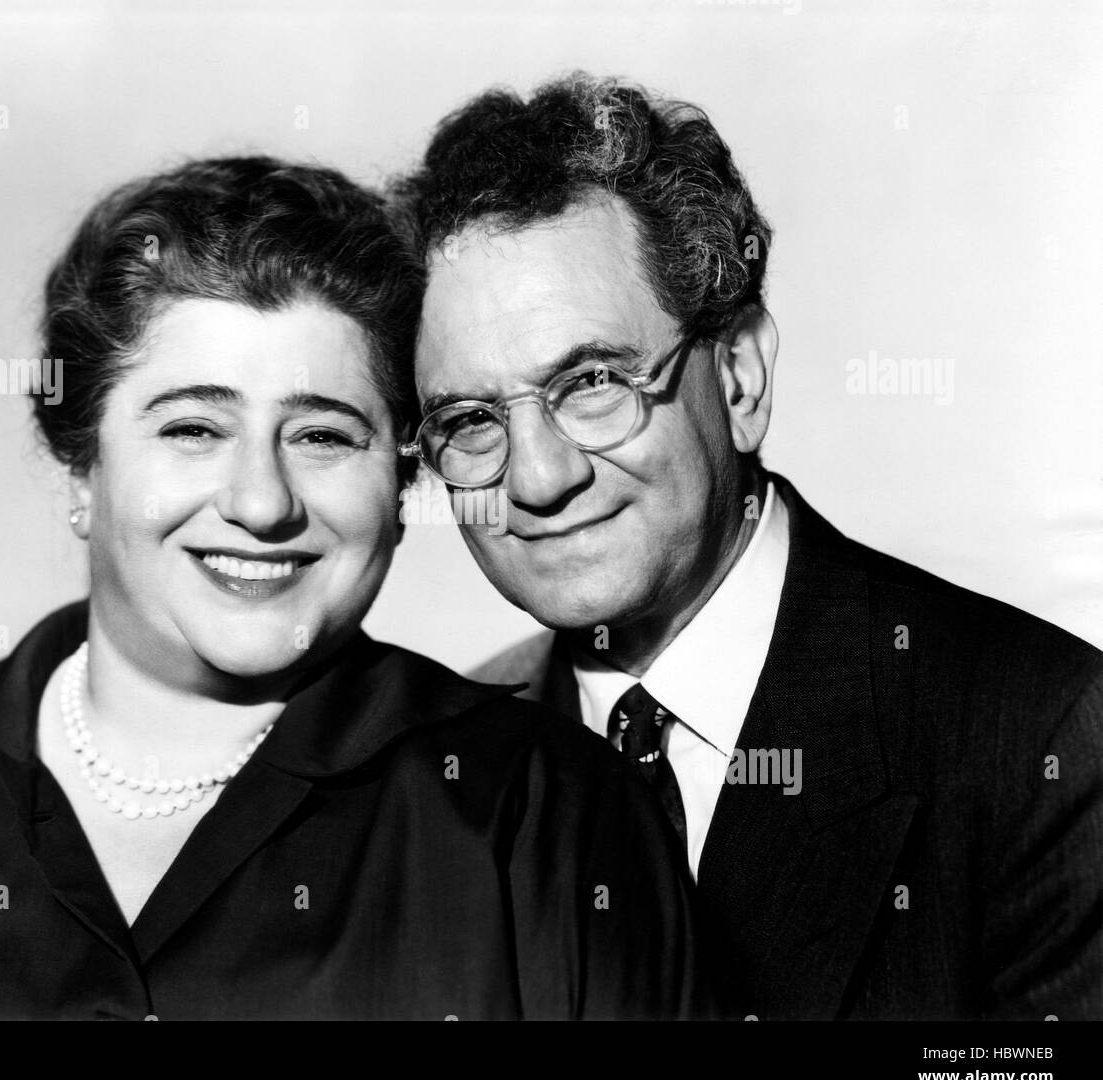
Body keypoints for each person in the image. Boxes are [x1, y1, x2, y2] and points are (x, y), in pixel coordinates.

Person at [0, 155, 701, 1020]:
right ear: (79, 470)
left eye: (323, 436)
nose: (261, 502)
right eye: (195, 427)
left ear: (399, 489)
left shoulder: (545, 814)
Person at [391, 73, 1103, 1020]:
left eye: (593, 381)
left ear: (740, 377)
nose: (537, 479)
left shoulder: (1039, 740)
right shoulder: (435, 775)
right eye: (470, 420)